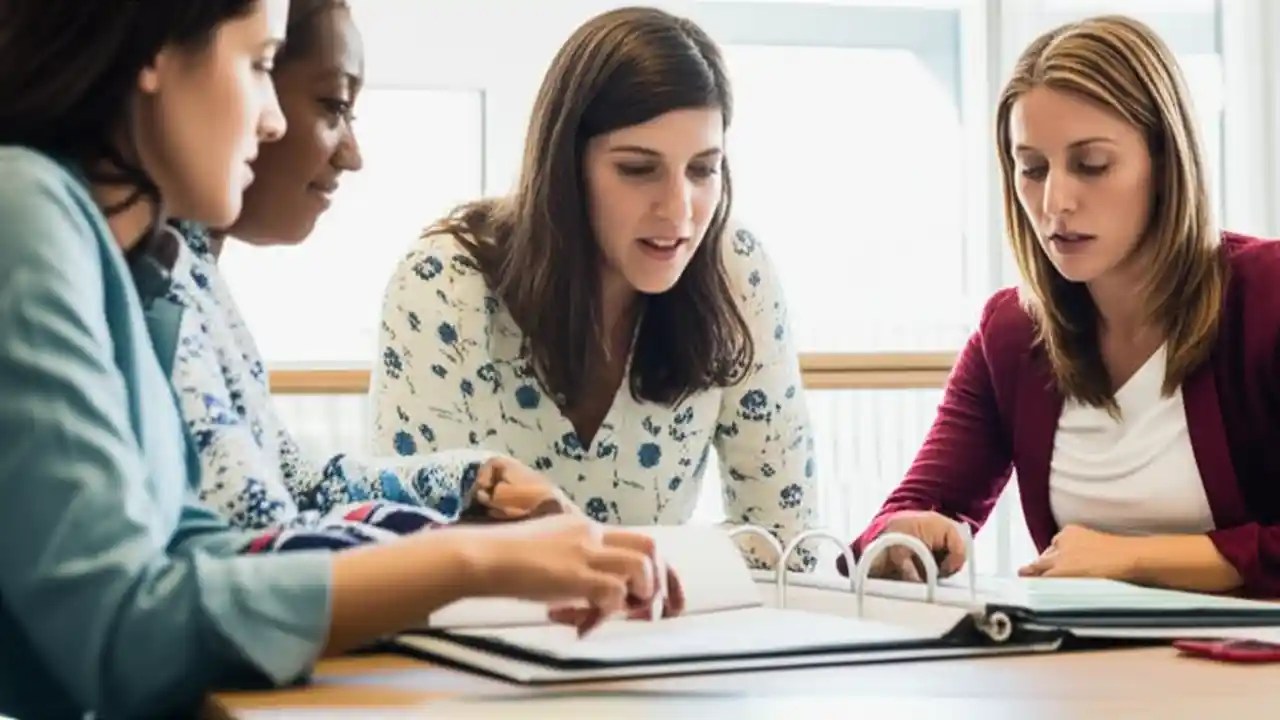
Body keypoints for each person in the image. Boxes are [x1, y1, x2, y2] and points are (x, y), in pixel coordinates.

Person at [0, 2, 680, 717]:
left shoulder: (124, 257)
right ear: (155, 51)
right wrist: (471, 561)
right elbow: (123, 635)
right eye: (260, 65)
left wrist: (493, 559)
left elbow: (199, 553)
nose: (269, 121)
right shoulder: (27, 212)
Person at [370, 6, 819, 570]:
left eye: (703, 170)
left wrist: (642, 571)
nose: (679, 210)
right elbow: (414, 540)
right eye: (638, 169)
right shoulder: (445, 281)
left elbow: (787, 542)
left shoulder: (737, 273)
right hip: (478, 644)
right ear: (565, 165)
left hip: (667, 642)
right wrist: (660, 561)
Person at [848, 15, 1280, 598]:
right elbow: (910, 511)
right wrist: (903, 537)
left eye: (1092, 165)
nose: (1055, 202)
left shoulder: (1267, 295)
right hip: (1078, 675)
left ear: (1165, 164)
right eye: (1032, 168)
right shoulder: (1011, 332)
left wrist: (1131, 559)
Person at [158, 0, 571, 550]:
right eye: (333, 107)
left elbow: (294, 489)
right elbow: (258, 541)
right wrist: (474, 560)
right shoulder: (157, 285)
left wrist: (471, 479)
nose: (352, 155)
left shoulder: (196, 275)